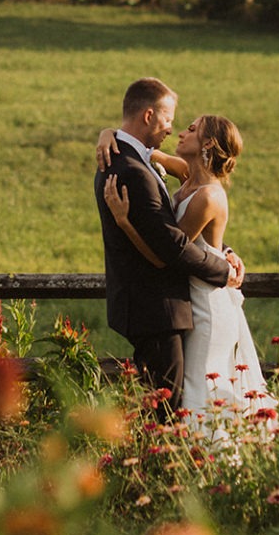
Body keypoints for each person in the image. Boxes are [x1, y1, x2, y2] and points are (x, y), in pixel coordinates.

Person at [97, 108, 279, 440]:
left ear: (207, 143)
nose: (181, 132)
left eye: (191, 129)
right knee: (194, 389)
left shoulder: (209, 196)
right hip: (190, 299)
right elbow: (140, 147)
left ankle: (211, 464)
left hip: (208, 307)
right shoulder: (184, 172)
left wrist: (125, 223)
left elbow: (166, 254)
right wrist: (107, 133)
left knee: (200, 390)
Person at [94, 77, 241, 415]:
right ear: (148, 116)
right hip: (157, 308)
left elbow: (189, 231)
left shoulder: (144, 161)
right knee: (170, 406)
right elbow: (169, 247)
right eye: (169, 119)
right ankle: (168, 463)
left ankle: (174, 462)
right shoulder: (131, 168)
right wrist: (223, 269)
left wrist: (225, 252)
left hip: (180, 305)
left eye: (187, 127)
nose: (174, 129)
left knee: (186, 398)